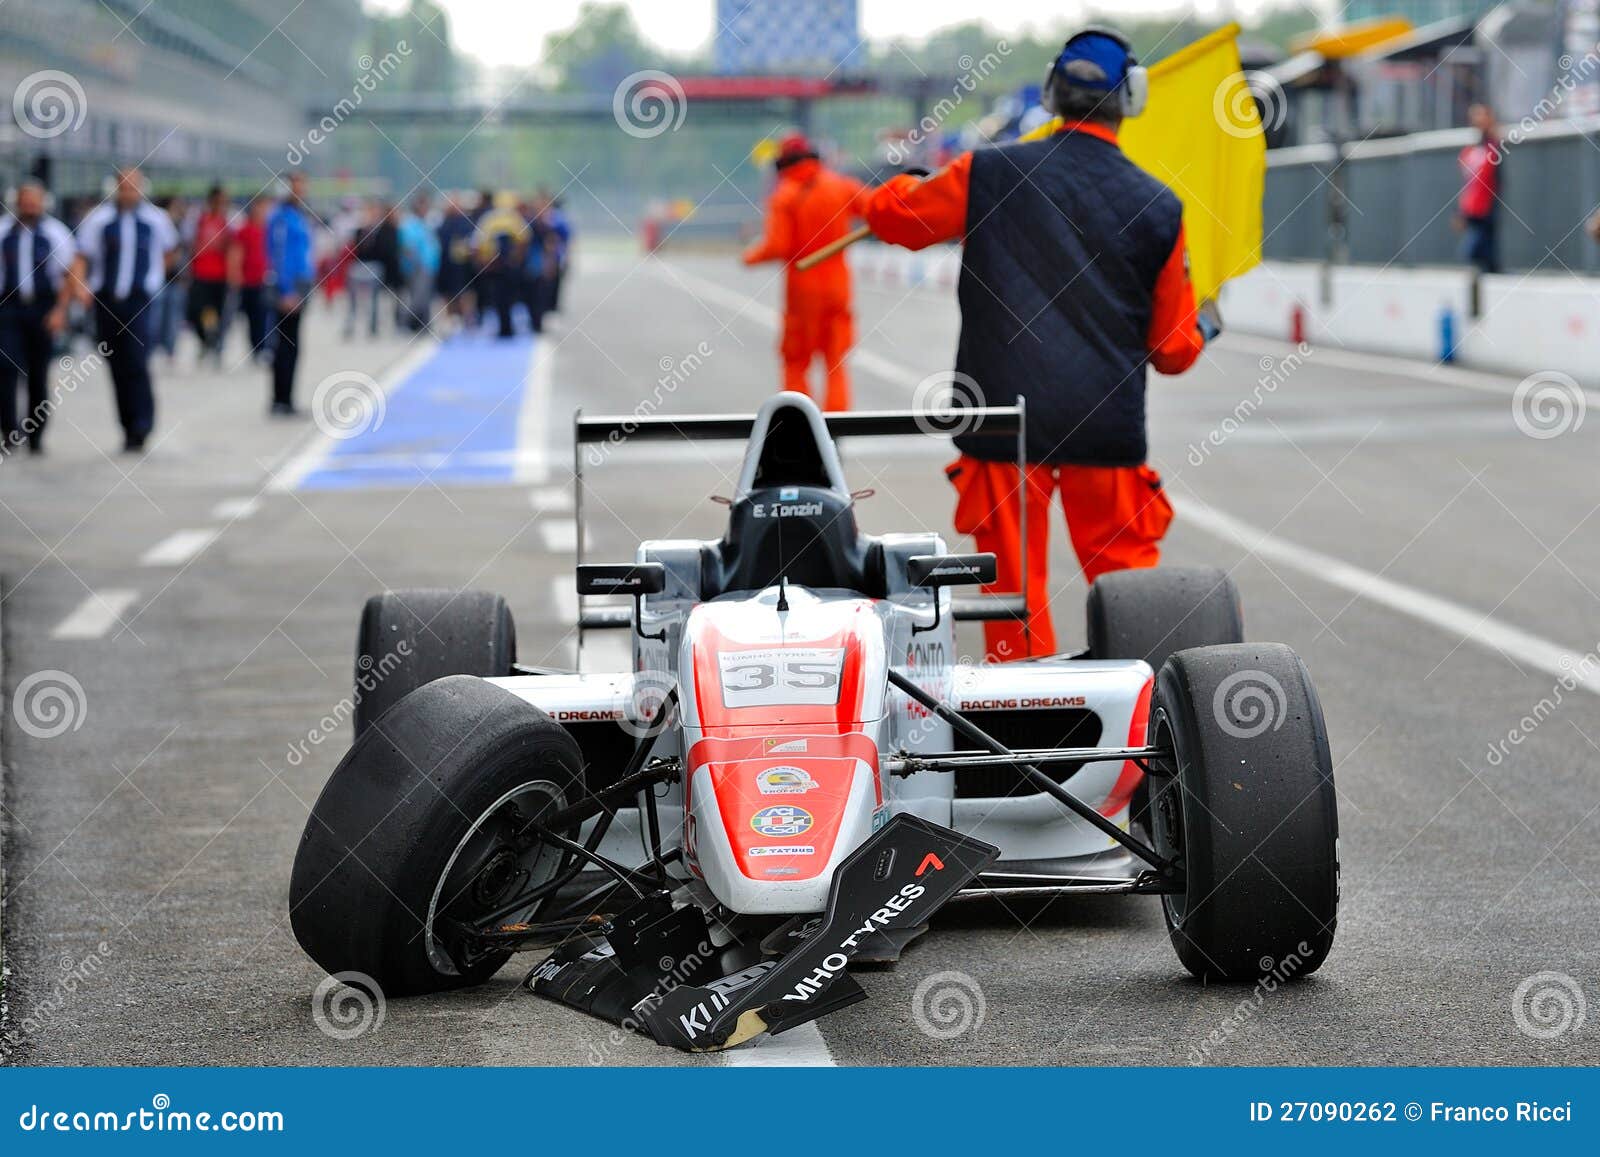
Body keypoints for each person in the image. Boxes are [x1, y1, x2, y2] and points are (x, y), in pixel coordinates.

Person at [859, 27, 1214, 660]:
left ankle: (1025, 737)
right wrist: (1205, 323)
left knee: (1013, 594)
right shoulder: (1159, 207)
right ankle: (1149, 728)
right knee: (1131, 590)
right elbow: (1173, 351)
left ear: (1053, 92)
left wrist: (906, 179)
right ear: (1130, 98)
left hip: (1003, 424)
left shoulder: (988, 173)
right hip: (1105, 427)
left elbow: (896, 218)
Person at [741, 133, 866, 411]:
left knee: (796, 360)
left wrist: (750, 257)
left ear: (783, 164)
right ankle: (836, 423)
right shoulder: (841, 187)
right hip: (838, 288)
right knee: (835, 361)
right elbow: (873, 209)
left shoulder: (784, 197)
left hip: (803, 292)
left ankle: (800, 425)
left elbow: (777, 245)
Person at [72, 167, 180, 452]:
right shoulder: (99, 220)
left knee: (136, 361)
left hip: (139, 301)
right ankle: (126, 425)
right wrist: (81, 286)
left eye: (134, 187)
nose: (128, 192)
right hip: (107, 300)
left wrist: (153, 278)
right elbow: (83, 256)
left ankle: (143, 424)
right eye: (124, 187)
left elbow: (170, 251)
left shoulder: (156, 220)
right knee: (116, 364)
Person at [0, 181, 78, 456]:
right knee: (6, 369)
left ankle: (36, 434)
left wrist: (60, 311)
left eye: (35, 201)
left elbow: (70, 274)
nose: (30, 206)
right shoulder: (3, 231)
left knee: (38, 373)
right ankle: (9, 430)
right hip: (9, 307)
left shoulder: (55, 233)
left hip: (43, 308)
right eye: (25, 201)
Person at [266, 171, 315, 416]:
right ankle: (280, 400)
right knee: (285, 345)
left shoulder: (297, 215)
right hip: (289, 289)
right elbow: (279, 256)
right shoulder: (281, 219)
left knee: (293, 346)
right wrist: (286, 292)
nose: (302, 191)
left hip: (300, 286)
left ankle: (287, 398)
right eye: (297, 187)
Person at [186, 183, 233, 364]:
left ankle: (216, 346)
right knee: (198, 310)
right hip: (201, 274)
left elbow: (232, 250)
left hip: (221, 276)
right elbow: (191, 245)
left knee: (220, 313)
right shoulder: (199, 219)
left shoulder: (228, 222)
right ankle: (205, 339)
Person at [474, 192, 528, 339]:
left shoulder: (489, 219)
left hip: (495, 266)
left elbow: (478, 243)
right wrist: (516, 260)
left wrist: (484, 262)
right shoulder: (514, 219)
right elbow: (524, 240)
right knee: (508, 297)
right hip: (506, 266)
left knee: (497, 298)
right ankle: (507, 326)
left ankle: (504, 326)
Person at [1457, 103, 1501, 275]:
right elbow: (1466, 183)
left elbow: (1499, 178)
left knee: (1483, 250)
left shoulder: (1494, 147)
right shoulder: (1470, 150)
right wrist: (1459, 211)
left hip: (1488, 207)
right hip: (1471, 208)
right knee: (1473, 252)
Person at [230, 195, 272, 361]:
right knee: (251, 317)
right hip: (248, 281)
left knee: (265, 316)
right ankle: (255, 348)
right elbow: (236, 253)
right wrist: (236, 275)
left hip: (266, 280)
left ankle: (264, 347)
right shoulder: (244, 230)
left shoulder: (270, 229)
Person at [396, 193, 439, 333]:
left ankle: (424, 325)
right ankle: (406, 324)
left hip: (429, 266)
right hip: (417, 267)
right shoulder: (409, 224)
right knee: (417, 298)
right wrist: (415, 264)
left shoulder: (426, 222)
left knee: (425, 297)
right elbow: (408, 247)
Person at [435, 192, 478, 326]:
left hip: (463, 266)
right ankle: (451, 321)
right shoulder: (443, 223)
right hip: (447, 266)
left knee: (466, 294)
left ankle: (468, 320)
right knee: (448, 295)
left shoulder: (466, 223)